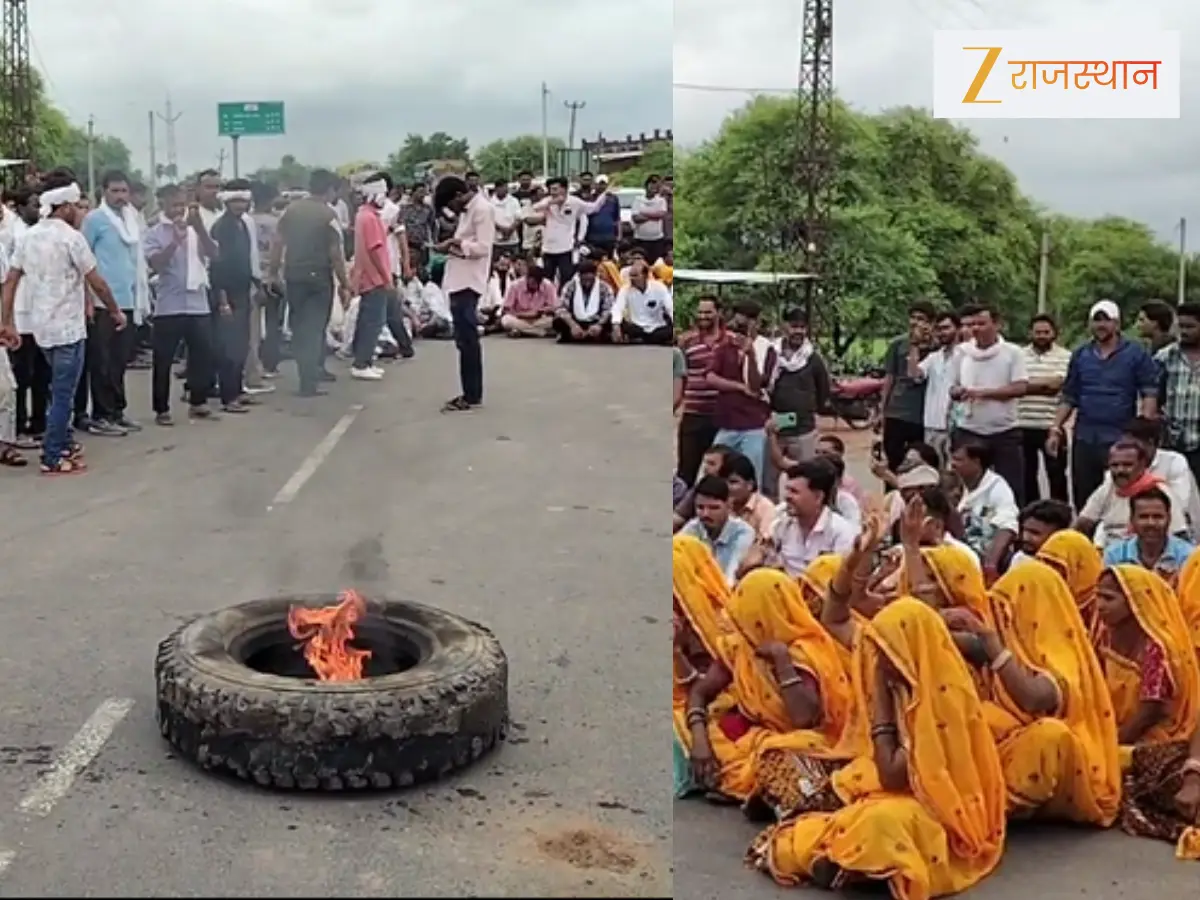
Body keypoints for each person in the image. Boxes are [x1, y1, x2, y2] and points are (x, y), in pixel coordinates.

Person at [749, 598, 1006, 898]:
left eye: (886, 653)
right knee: (787, 761)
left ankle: (848, 863)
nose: (878, 662)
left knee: (879, 824)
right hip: (893, 790)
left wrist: (882, 704)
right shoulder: (904, 682)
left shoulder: (942, 696)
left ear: (909, 651)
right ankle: (848, 861)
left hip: (946, 816)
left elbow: (892, 776)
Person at [944, 561, 1121, 825]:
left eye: (1007, 610)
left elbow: (1032, 699)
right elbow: (938, 636)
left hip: (1061, 768)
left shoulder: (1062, 660)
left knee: (1050, 736)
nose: (1001, 618)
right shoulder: (1015, 643)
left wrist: (991, 644)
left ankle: (985, 810)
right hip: (1012, 749)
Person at [681, 565, 854, 807]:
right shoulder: (739, 647)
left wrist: (782, 663)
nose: (740, 619)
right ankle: (762, 792)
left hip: (803, 740)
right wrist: (700, 741)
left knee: (782, 755)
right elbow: (700, 693)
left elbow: (804, 719)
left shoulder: (806, 652)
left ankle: (773, 795)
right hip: (754, 737)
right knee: (702, 732)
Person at [0, 175, 125, 474]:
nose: (79, 211)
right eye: (75, 206)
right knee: (63, 394)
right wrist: (115, 310)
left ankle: (64, 443)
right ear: (65, 206)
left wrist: (7, 322)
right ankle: (53, 456)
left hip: (41, 328)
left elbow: (10, 282)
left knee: (57, 390)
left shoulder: (28, 236)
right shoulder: (71, 238)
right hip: (67, 328)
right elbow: (97, 281)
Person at [1049, 300, 1159, 511]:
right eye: (1096, 321)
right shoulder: (1081, 355)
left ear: (1117, 324)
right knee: (1084, 495)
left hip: (1121, 437)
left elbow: (1149, 392)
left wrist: (1144, 432)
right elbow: (1069, 395)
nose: (1101, 326)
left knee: (1122, 493)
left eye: (1106, 320)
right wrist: (1055, 428)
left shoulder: (1136, 353)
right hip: (1085, 436)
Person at [1094, 565, 1200, 747]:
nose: (1099, 605)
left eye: (1108, 598)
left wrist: (1111, 745)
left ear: (1134, 601)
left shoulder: (1157, 649)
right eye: (1098, 596)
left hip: (1151, 733)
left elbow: (1149, 712)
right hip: (1111, 725)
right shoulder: (1103, 634)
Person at [267, 169, 351, 397]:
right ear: (330, 189)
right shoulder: (328, 216)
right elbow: (335, 253)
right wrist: (345, 283)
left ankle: (306, 377)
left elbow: (277, 244)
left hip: (294, 276)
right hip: (319, 278)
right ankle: (309, 380)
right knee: (315, 328)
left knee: (299, 327)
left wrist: (273, 273)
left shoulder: (290, 211)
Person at [144, 184, 220, 425]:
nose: (179, 210)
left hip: (197, 302)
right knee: (164, 359)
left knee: (202, 354)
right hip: (169, 304)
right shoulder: (155, 232)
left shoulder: (196, 228)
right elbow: (156, 264)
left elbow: (214, 254)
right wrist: (174, 242)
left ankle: (198, 401)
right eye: (174, 205)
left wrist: (198, 229)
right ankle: (161, 408)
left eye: (182, 204)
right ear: (163, 205)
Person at [80, 169, 142, 435]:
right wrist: (87, 300)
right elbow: (83, 261)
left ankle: (117, 411)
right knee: (102, 361)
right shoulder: (95, 220)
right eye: (114, 191)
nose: (120, 196)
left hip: (128, 298)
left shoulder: (132, 219)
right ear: (103, 192)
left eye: (123, 191)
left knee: (120, 360)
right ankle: (101, 415)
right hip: (103, 301)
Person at [949, 303, 1028, 504]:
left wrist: (985, 393)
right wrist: (959, 392)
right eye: (973, 324)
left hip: (1004, 431)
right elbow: (953, 387)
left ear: (997, 324)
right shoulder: (961, 352)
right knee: (966, 485)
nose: (976, 328)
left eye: (982, 323)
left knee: (1011, 486)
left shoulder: (1013, 353)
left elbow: (1020, 388)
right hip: (969, 430)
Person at [433, 175, 494, 412]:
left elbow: (483, 247)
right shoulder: (468, 211)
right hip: (459, 280)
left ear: (459, 196)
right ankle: (470, 392)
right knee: (463, 340)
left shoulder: (482, 210)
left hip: (469, 282)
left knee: (468, 341)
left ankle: (472, 394)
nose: (452, 210)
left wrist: (454, 244)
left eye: (451, 205)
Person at [1075, 439, 1189, 548]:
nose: (1120, 470)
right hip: (1109, 555)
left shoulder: (1160, 492)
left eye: (1127, 465)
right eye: (1115, 465)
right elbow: (1082, 524)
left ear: (1142, 465)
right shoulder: (1107, 488)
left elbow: (1179, 536)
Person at [763, 307, 829, 492]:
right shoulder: (772, 355)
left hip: (803, 430)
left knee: (806, 480)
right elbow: (763, 383)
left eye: (802, 327)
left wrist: (810, 410)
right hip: (774, 429)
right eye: (793, 326)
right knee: (769, 481)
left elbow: (824, 390)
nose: (798, 331)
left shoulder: (813, 359)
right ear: (784, 327)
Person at [208, 179, 259, 412]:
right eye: (236, 201)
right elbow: (217, 267)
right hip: (227, 294)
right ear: (227, 202)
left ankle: (237, 390)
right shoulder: (222, 227)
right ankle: (229, 396)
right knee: (229, 346)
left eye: (244, 201)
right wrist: (223, 300)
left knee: (241, 344)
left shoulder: (243, 226)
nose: (240, 205)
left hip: (242, 291)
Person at [1, 187, 47, 444]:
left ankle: (38, 424)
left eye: (40, 204)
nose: (38, 209)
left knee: (41, 372)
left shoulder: (40, 233)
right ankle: (17, 428)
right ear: (19, 208)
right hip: (19, 312)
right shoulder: (10, 236)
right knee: (21, 375)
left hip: (39, 311)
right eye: (32, 204)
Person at [705, 300, 767, 479]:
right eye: (737, 325)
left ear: (756, 323)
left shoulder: (767, 349)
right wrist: (739, 387)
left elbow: (757, 386)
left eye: (744, 325)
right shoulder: (725, 348)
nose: (739, 330)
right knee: (714, 474)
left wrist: (751, 355)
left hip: (753, 424)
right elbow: (710, 377)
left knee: (750, 476)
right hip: (727, 423)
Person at [763, 458, 857, 575]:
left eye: (794, 491)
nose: (787, 496)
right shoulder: (780, 525)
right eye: (787, 490)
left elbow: (843, 579)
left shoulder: (841, 532)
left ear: (818, 497)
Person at [1018, 314, 1071, 503]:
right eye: (1037, 332)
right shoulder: (1018, 356)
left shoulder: (1065, 357)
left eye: (1046, 332)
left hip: (1052, 426)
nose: (1041, 336)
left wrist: (1025, 386)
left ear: (1055, 333)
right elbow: (1014, 385)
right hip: (1022, 424)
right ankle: (1033, 516)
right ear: (1030, 333)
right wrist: (1042, 386)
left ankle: (1060, 516)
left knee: (1056, 476)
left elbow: (1058, 385)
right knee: (1026, 477)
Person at [878, 301, 936, 472]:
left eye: (921, 319)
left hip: (923, 413)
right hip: (897, 411)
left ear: (931, 323)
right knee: (894, 459)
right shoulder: (898, 344)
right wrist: (882, 411)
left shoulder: (937, 346)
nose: (916, 322)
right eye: (913, 317)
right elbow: (889, 378)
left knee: (920, 462)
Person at [950, 441, 1020, 582]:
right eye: (952, 458)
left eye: (958, 460)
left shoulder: (997, 487)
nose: (952, 464)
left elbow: (1008, 526)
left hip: (984, 555)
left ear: (976, 462)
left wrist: (990, 563)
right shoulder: (954, 484)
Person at [347, 175, 394, 381]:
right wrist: (386, 276)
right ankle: (362, 362)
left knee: (368, 319)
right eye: (383, 194)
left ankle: (364, 360)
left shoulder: (363, 215)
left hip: (367, 275)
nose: (385, 198)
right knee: (373, 321)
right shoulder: (370, 218)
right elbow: (375, 250)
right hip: (374, 277)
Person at [523, 177, 612, 286]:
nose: (552, 192)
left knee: (567, 279)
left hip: (566, 248)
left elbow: (593, 208)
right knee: (547, 280)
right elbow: (536, 208)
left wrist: (603, 195)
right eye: (551, 189)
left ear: (564, 189)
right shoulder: (548, 201)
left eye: (555, 189)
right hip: (548, 248)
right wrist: (552, 202)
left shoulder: (574, 202)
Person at [1103, 487, 1196, 585]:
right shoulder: (1114, 555)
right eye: (1143, 517)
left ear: (1169, 519)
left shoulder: (1188, 556)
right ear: (1132, 519)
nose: (1150, 523)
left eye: (1157, 516)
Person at [675, 295, 723, 486]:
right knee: (686, 471)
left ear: (719, 313)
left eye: (708, 312)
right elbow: (679, 376)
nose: (703, 316)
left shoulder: (732, 341)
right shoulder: (686, 341)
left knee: (718, 472)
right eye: (701, 312)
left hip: (722, 416)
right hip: (693, 415)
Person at [677, 475, 757, 586]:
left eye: (714, 508)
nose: (706, 514)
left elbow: (731, 575)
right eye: (700, 507)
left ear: (729, 505)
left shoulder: (743, 532)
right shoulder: (693, 527)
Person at [906, 309, 959, 466]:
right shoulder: (934, 357)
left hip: (954, 426)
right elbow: (914, 374)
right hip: (931, 424)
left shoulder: (965, 355)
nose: (942, 332)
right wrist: (914, 345)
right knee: (932, 470)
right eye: (939, 329)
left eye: (946, 328)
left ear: (957, 328)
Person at [1158, 303, 1200, 487]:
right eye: (1181, 326)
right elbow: (1155, 396)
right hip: (1174, 442)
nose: (1184, 331)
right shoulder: (1165, 357)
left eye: (1190, 327)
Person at [610, 261, 672, 345]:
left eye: (635, 276)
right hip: (636, 326)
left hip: (657, 326)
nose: (632, 278)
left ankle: (645, 339)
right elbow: (618, 307)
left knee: (667, 331)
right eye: (630, 275)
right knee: (620, 324)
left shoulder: (659, 287)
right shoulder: (625, 289)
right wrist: (616, 325)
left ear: (645, 275)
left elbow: (670, 307)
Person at [552, 259, 614, 343]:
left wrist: (599, 325)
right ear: (579, 276)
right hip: (575, 321)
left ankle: (586, 336)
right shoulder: (570, 286)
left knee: (612, 319)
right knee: (557, 321)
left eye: (590, 280)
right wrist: (573, 325)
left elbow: (608, 309)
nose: (587, 283)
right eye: (584, 280)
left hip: (596, 321)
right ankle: (582, 336)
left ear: (595, 275)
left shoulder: (605, 287)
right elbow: (561, 308)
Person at [721, 452, 777, 542]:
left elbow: (765, 545)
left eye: (733, 482)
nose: (727, 487)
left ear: (750, 485)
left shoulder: (765, 508)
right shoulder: (720, 505)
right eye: (724, 482)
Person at [500, 263, 556, 338]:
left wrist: (542, 311)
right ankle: (539, 332)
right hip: (519, 318)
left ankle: (521, 331)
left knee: (555, 321)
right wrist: (521, 315)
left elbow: (554, 307)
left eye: (538, 283)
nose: (535, 286)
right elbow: (506, 309)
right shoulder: (515, 286)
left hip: (539, 319)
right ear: (527, 278)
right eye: (533, 282)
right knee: (506, 320)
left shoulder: (548, 285)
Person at [1012, 497, 1074, 563]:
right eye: (1023, 530)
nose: (1025, 538)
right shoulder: (1020, 559)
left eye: (1034, 533)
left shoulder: (1072, 562)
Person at [630, 175, 669, 263]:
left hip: (656, 239)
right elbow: (636, 218)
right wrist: (653, 216)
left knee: (655, 264)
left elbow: (661, 214)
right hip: (640, 238)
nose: (654, 186)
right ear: (647, 185)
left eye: (657, 184)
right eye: (652, 182)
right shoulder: (638, 199)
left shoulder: (661, 201)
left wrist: (643, 213)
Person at [488, 179, 521, 262]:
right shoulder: (489, 202)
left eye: (505, 187)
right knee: (495, 264)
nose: (504, 189)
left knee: (514, 263)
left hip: (512, 240)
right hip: (495, 241)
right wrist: (502, 229)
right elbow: (489, 219)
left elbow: (519, 218)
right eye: (501, 187)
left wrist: (509, 230)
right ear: (496, 188)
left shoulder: (514, 201)